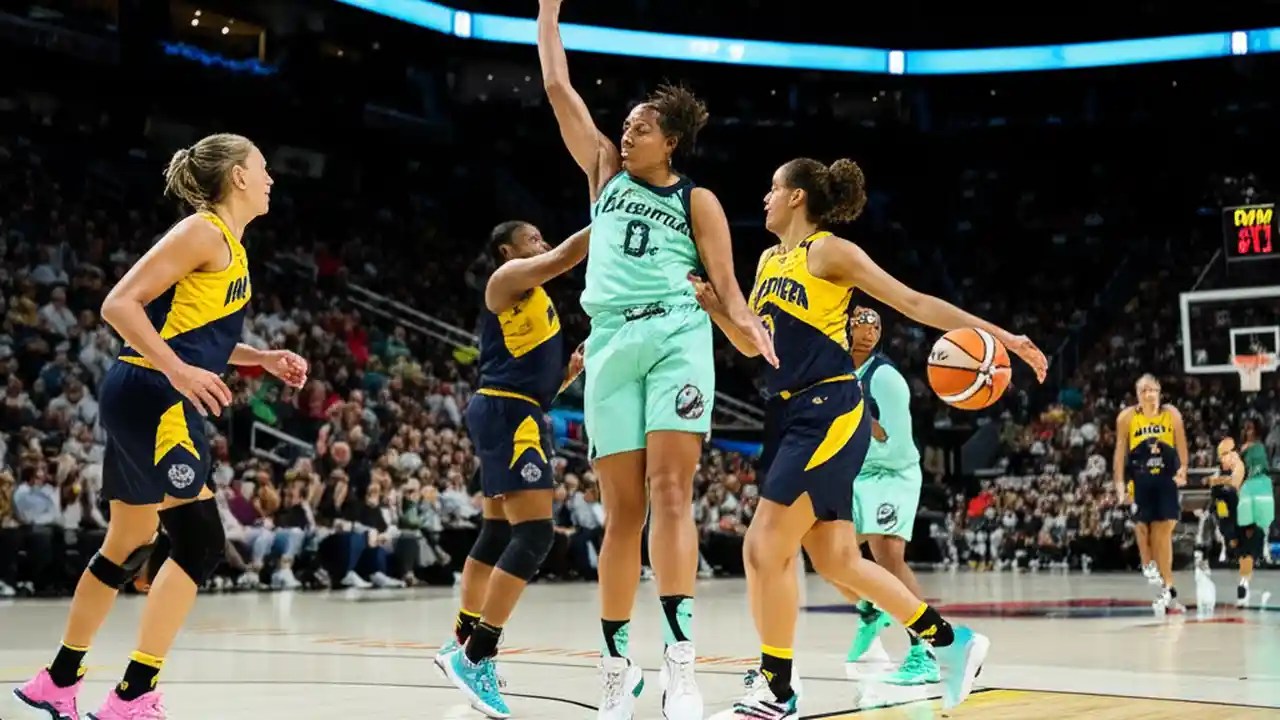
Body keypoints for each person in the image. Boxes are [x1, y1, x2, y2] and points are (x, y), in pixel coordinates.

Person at [691, 156, 1047, 718]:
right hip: (786, 414)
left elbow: (913, 302)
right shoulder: (767, 260)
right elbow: (753, 344)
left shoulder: (829, 252)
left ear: (797, 197)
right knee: (837, 560)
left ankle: (776, 688)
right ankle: (951, 643)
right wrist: (717, 311)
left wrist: (1004, 337)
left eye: (773, 188)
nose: (765, 197)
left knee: (762, 547)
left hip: (827, 410)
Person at [11, 133, 308, 720]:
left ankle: (58, 681)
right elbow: (119, 304)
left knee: (129, 543)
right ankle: (133, 695)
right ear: (238, 176)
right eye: (263, 167)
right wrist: (177, 371)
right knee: (200, 543)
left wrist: (261, 359)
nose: (271, 178)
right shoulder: (202, 230)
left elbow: (194, 335)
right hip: (156, 395)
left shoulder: (229, 245)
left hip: (142, 390)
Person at [537, 1, 774, 717]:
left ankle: (680, 663)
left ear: (670, 142)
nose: (628, 131)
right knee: (622, 513)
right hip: (610, 342)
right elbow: (557, 88)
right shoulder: (604, 174)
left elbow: (729, 293)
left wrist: (751, 337)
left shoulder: (699, 201)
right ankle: (616, 668)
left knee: (671, 492)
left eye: (642, 126)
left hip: (677, 336)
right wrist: (548, 14)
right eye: (627, 124)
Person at [434, 221, 590, 717]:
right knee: (536, 534)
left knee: (497, 532)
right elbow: (563, 258)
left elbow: (534, 384)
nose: (542, 244)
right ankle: (477, 655)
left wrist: (566, 377)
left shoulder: (535, 299)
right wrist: (609, 214)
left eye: (543, 238)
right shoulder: (505, 280)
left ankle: (462, 638)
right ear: (506, 250)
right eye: (532, 239)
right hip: (509, 413)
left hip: (512, 408)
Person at [840, 307, 939, 686]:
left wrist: (857, 420)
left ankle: (925, 649)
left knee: (889, 558)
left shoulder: (886, 378)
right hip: (858, 473)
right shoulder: (837, 370)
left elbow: (893, 442)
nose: (869, 332)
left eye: (875, 326)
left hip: (891, 473)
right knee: (831, 553)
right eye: (861, 325)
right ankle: (870, 611)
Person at [1112, 374, 1187, 612]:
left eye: (1152, 390)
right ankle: (1152, 572)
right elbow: (1119, 453)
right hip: (1140, 480)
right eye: (1143, 391)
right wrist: (1119, 486)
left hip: (1165, 479)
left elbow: (1181, 444)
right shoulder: (1127, 417)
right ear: (1137, 395)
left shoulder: (1171, 414)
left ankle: (1167, 586)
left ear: (1160, 392)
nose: (1148, 394)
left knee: (1162, 533)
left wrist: (1184, 469)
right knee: (1142, 529)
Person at [1214, 418, 1275, 607]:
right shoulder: (1232, 460)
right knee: (1242, 548)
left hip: (1249, 505)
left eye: (1249, 428)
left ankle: (1244, 583)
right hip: (1235, 510)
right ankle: (1244, 578)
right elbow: (1222, 507)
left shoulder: (1255, 453)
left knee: (1248, 547)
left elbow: (1256, 474)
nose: (1246, 431)